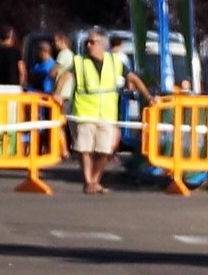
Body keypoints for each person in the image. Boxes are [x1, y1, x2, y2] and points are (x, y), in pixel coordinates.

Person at [56, 28, 154, 194]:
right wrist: (57, 94)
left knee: (105, 150)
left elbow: (134, 78)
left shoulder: (115, 62)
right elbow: (64, 77)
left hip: (107, 115)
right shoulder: (80, 61)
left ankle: (95, 180)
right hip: (85, 113)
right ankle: (89, 182)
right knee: (84, 149)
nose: (88, 45)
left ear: (102, 45)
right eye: (87, 42)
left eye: (92, 42)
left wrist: (148, 97)